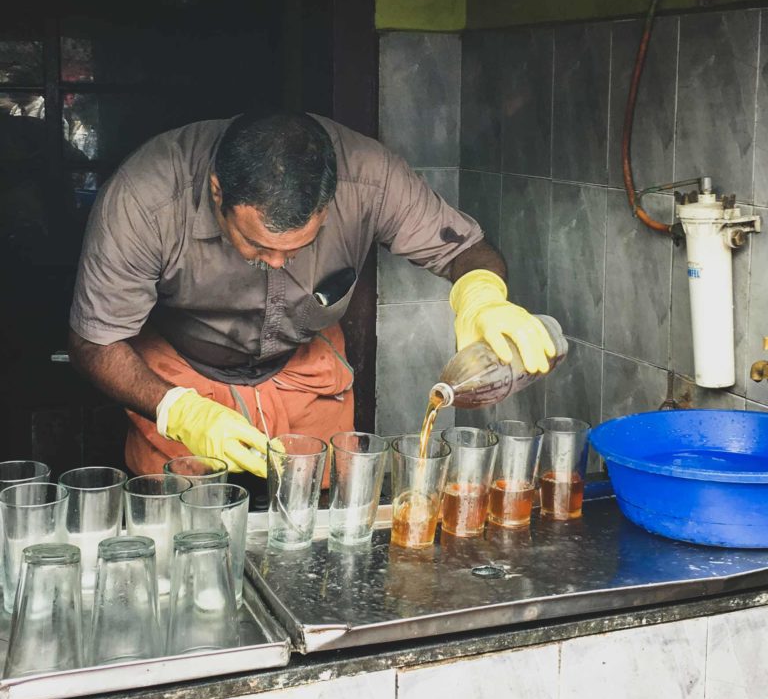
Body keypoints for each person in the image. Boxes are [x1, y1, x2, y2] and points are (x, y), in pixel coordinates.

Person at [68, 112, 555, 478]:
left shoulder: (371, 177)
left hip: (304, 370)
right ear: (218, 193)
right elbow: (94, 342)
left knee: (316, 532)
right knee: (188, 538)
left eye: (299, 247)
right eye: (257, 244)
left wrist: (482, 296)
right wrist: (180, 410)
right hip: (179, 371)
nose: (277, 262)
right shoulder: (147, 199)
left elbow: (467, 250)